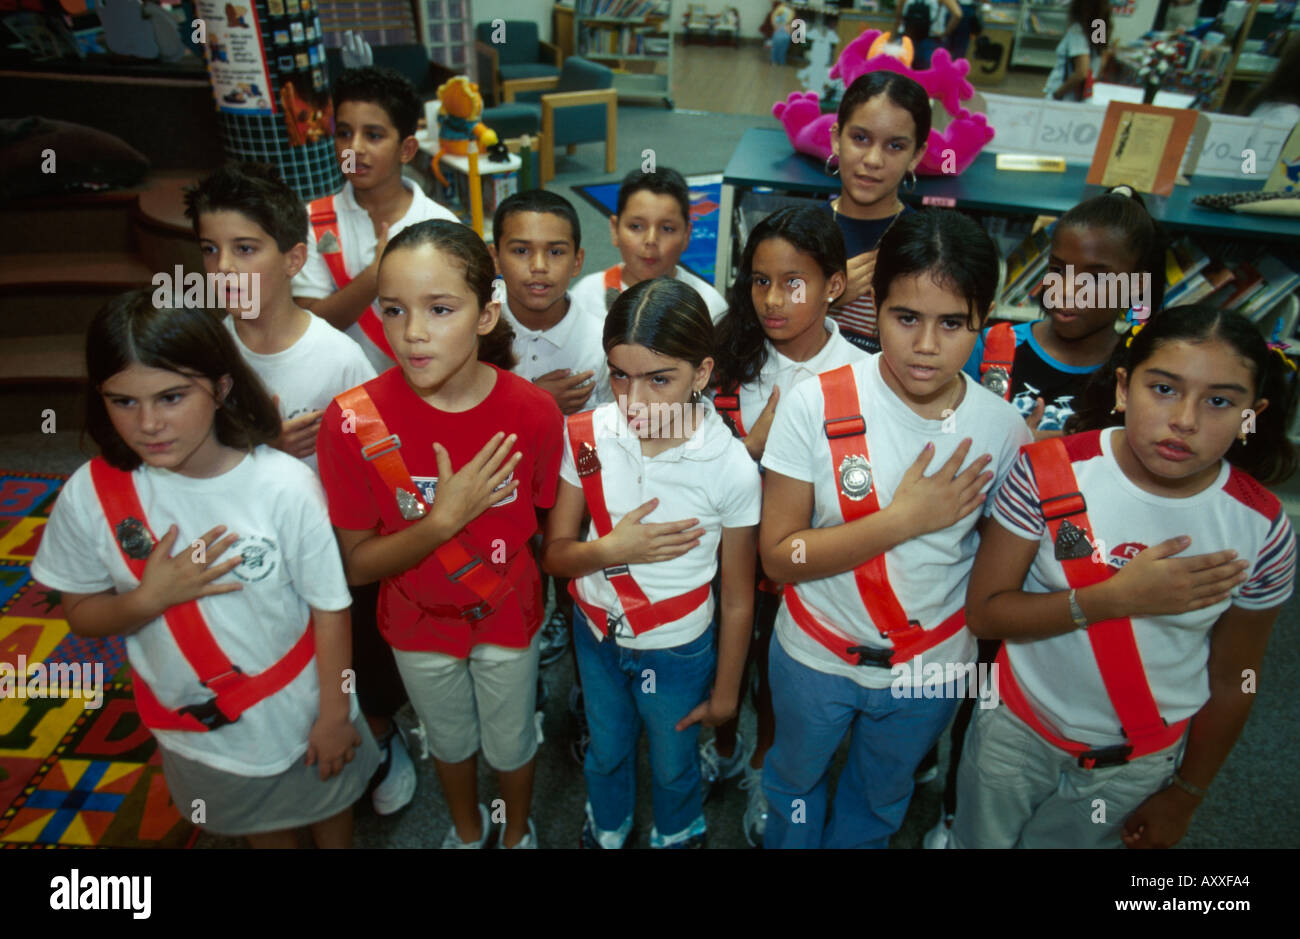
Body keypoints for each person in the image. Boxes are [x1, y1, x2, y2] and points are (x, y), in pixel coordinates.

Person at [30, 290, 379, 847]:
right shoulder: (90, 496)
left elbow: (330, 608)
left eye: (171, 397)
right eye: (123, 401)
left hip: (304, 709)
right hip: (200, 733)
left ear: (220, 388)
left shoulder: (285, 487)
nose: (148, 424)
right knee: (266, 832)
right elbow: (81, 615)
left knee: (331, 811)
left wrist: (335, 714)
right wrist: (147, 600)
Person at [954, 304, 1297, 848]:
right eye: (1163, 389)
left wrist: (1186, 793)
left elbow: (1238, 680)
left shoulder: (1262, 529)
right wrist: (1112, 598)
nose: (1185, 419)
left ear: (1250, 415)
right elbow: (986, 611)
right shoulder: (1046, 471)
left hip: (1135, 763)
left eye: (1218, 401)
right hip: (1013, 731)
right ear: (1122, 388)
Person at [757, 209, 1032, 849]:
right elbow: (779, 557)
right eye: (906, 318)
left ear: (983, 319)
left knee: (882, 797)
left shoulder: (1003, 430)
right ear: (874, 307)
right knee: (793, 783)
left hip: (933, 665)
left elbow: (997, 570)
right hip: (815, 652)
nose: (927, 346)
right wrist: (904, 519)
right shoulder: (813, 402)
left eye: (953, 323)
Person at [183, 161, 431, 817]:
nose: (225, 268)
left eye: (245, 248)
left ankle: (381, 736)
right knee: (276, 668)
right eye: (211, 250)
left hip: (332, 552)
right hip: (244, 555)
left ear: (294, 257)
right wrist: (257, 445)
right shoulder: (203, 352)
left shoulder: (336, 357)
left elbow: (382, 467)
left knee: (357, 658)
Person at [316, 220, 563, 849]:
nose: (413, 333)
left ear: (487, 314)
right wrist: (443, 521)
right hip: (415, 620)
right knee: (447, 740)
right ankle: (464, 828)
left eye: (440, 308)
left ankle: (513, 835)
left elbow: (539, 523)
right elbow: (355, 566)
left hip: (509, 614)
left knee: (512, 740)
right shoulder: (350, 422)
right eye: (393, 310)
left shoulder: (534, 413)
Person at [541, 277, 762, 849]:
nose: (634, 402)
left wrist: (728, 692)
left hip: (677, 646)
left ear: (702, 373)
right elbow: (556, 555)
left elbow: (738, 597)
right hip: (594, 635)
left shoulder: (730, 467)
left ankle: (679, 831)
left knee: (672, 761)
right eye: (620, 375)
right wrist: (611, 551)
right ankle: (607, 825)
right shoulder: (586, 434)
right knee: (607, 750)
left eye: (659, 379)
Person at [708, 204, 866, 845]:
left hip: (800, 570)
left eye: (793, 282)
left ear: (834, 285)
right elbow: (690, 476)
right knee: (716, 657)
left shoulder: (862, 375)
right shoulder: (724, 357)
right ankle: (720, 746)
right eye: (759, 280)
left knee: (778, 680)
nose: (772, 300)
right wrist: (752, 448)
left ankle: (763, 762)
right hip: (717, 556)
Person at [490, 189, 610, 672]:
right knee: (506, 581)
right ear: (494, 255)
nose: (538, 266)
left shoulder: (601, 339)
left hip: (570, 485)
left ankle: (572, 627)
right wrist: (535, 402)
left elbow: (606, 434)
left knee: (570, 574)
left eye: (555, 251)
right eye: (520, 250)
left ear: (578, 259)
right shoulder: (471, 326)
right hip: (496, 482)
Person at [292, 65, 461, 374]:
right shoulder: (313, 221)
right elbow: (309, 325)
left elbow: (459, 326)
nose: (354, 149)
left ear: (407, 149)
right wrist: (374, 277)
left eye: (373, 135)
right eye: (344, 133)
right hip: (343, 391)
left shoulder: (440, 224)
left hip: (424, 390)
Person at [964, 185, 1166, 439]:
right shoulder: (986, 347)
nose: (1067, 290)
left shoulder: (1140, 377)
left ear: (1136, 284)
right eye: (1058, 270)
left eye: (1095, 277)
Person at [823, 71, 929, 355]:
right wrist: (826, 298)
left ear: (916, 156)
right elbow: (767, 316)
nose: (873, 160)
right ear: (836, 139)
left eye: (895, 146)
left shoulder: (927, 246)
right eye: (860, 138)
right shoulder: (800, 234)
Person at [570, 167, 728, 324]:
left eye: (667, 228)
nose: (651, 240)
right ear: (615, 230)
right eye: (636, 227)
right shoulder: (585, 297)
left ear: (686, 235)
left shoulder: (710, 308)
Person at [1044, 0, 1113, 101]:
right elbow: (1100, 63)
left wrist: (1057, 94)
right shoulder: (1099, 27)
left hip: (1065, 96)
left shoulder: (1077, 31)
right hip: (1084, 95)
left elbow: (1081, 72)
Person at [895, 0, 963, 69]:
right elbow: (957, 14)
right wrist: (945, 33)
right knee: (925, 73)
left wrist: (896, 31)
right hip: (931, 38)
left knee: (902, 72)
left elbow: (898, 12)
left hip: (907, 35)